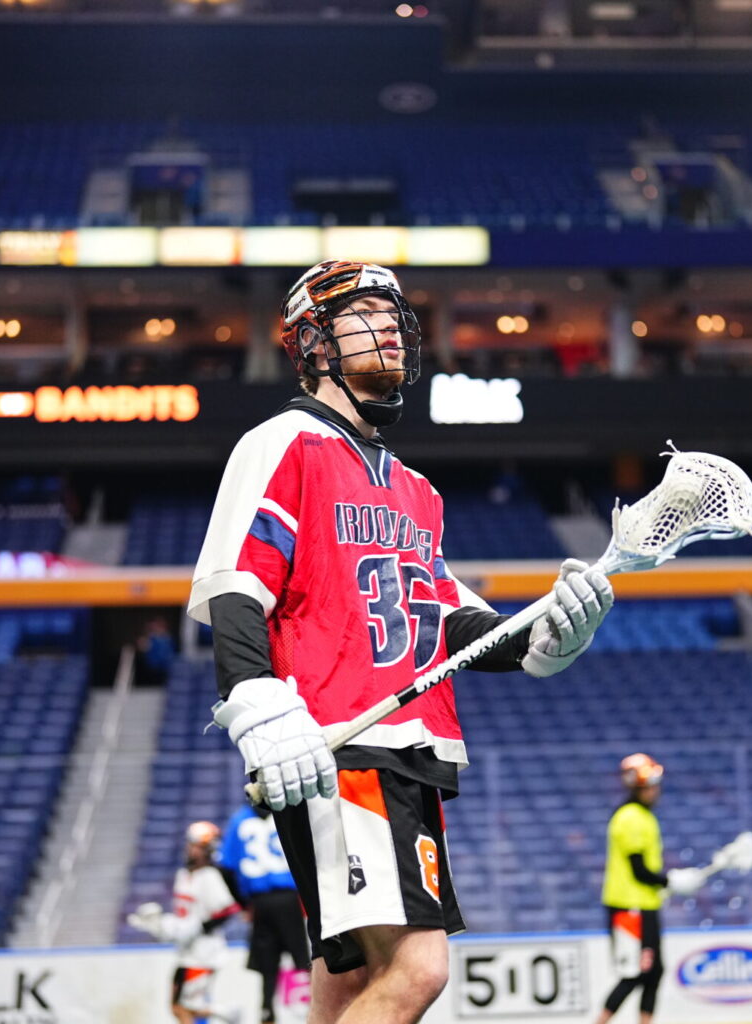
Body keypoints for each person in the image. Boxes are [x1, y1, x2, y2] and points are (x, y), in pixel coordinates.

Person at [189, 259, 615, 1024]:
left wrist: (551, 633)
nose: (390, 325)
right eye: (364, 314)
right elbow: (236, 584)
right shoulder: (285, 441)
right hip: (343, 743)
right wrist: (255, 701)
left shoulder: (416, 490)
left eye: (395, 316)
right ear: (315, 343)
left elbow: (451, 622)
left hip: (408, 751)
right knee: (418, 967)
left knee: (348, 984)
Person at [594, 753, 704, 1024]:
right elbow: (639, 870)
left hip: (644, 905)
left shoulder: (642, 817)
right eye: (649, 786)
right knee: (634, 973)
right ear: (637, 787)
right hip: (629, 908)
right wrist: (671, 882)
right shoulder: (630, 818)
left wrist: (664, 885)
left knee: (653, 972)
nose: (655, 791)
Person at [127, 820, 245, 1024]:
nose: (191, 850)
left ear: (208, 849)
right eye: (190, 845)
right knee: (176, 1007)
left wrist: (198, 928)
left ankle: (226, 1013)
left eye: (197, 846)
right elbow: (183, 914)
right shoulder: (183, 875)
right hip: (186, 952)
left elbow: (226, 910)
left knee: (186, 1007)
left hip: (204, 952)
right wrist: (161, 924)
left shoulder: (209, 876)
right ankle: (225, 1013)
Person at [221, 801, 311, 1024]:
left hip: (259, 902)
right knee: (304, 961)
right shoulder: (287, 811)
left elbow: (226, 867)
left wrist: (243, 903)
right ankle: (315, 1010)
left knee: (268, 967)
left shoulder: (239, 819)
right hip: (290, 899)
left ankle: (267, 1013)